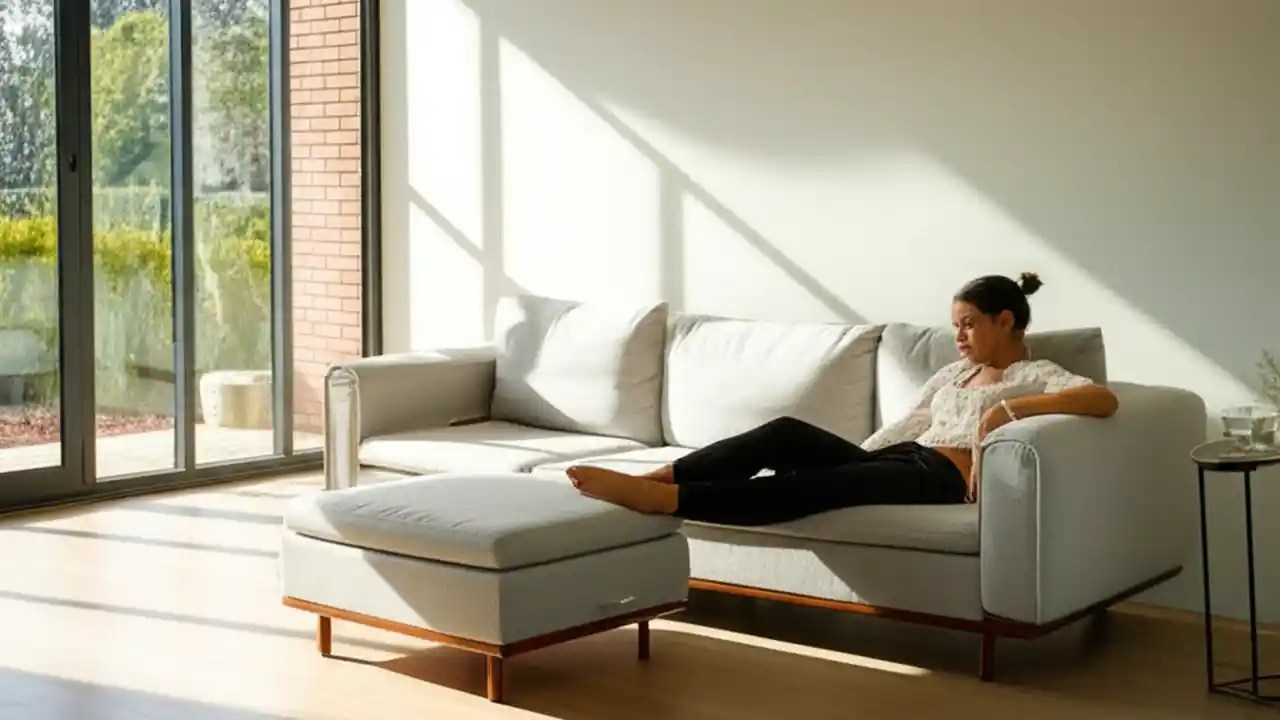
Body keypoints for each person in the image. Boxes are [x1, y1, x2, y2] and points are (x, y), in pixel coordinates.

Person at [566, 272, 1120, 525]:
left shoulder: (1034, 374)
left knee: (807, 487)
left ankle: (670, 502)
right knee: (787, 435)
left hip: (943, 479)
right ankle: (662, 476)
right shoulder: (955, 373)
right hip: (904, 460)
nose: (959, 336)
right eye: (955, 325)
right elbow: (907, 424)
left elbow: (1100, 400)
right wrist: (854, 459)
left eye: (969, 324)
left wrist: (1009, 408)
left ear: (1006, 321)